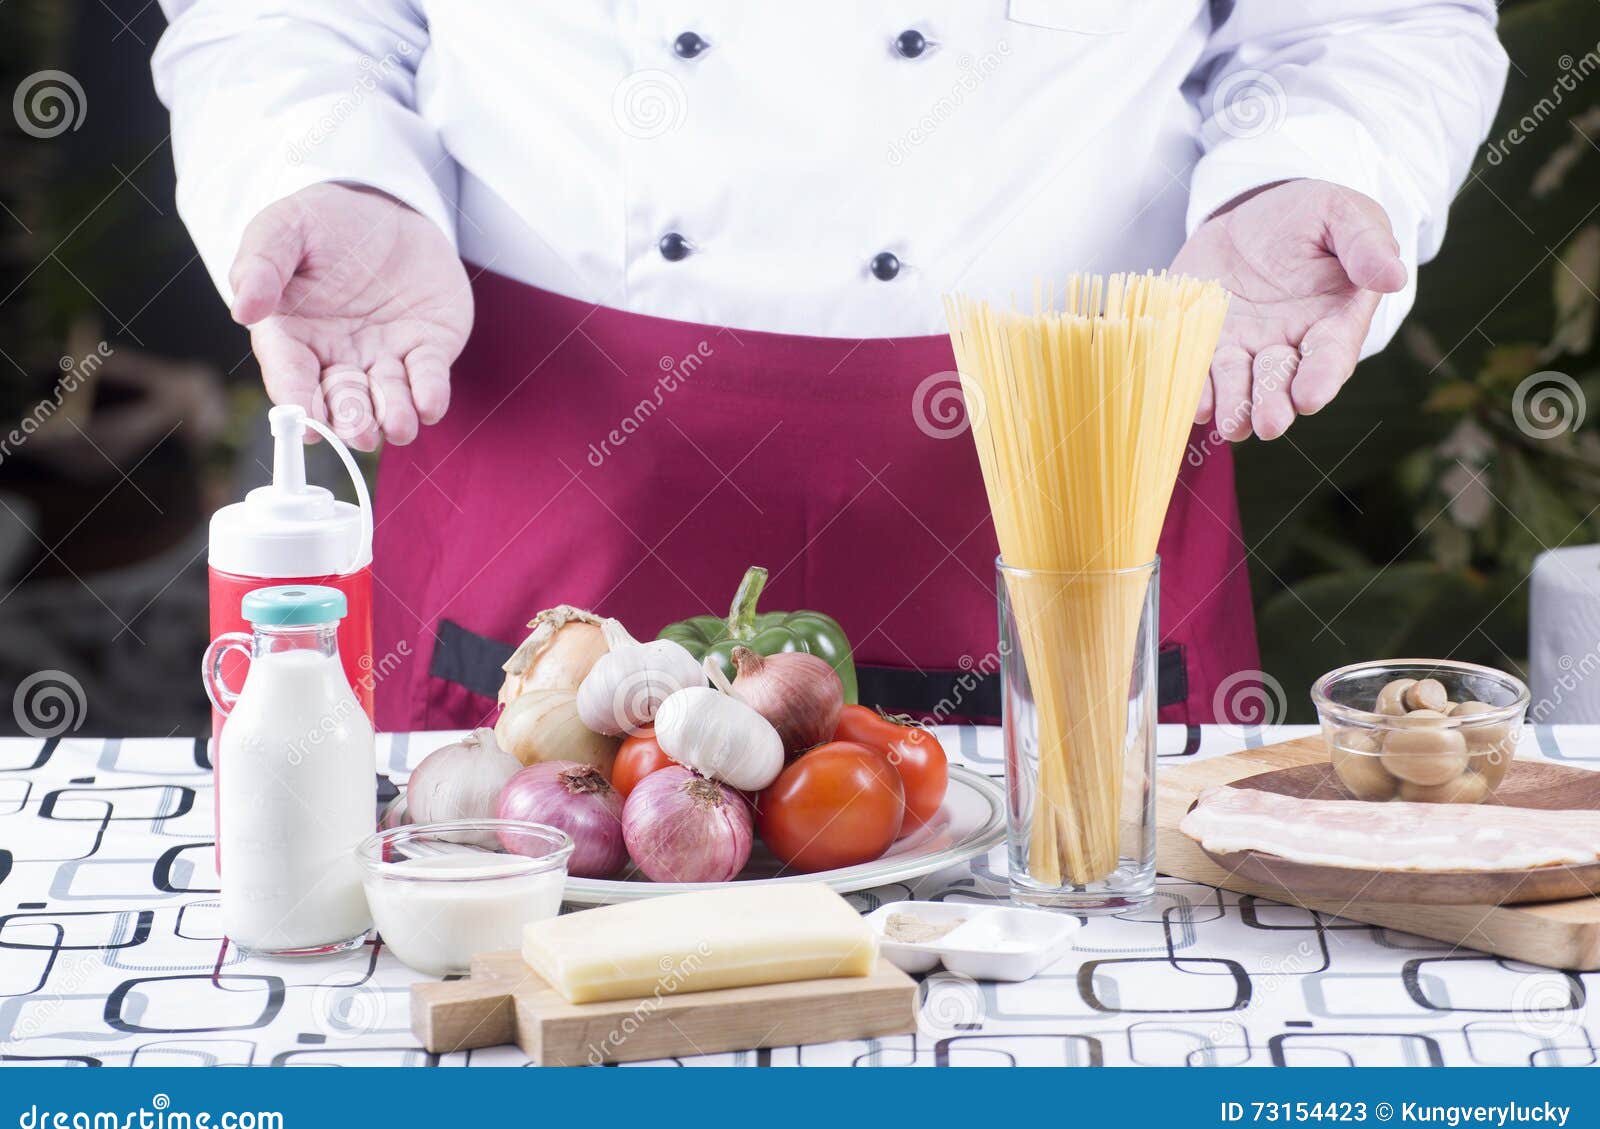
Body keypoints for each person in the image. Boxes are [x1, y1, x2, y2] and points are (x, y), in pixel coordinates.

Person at [153, 2, 1507, 731]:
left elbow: (1366, 17)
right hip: (540, 423)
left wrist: (1314, 165)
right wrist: (322, 166)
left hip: (1061, 443)